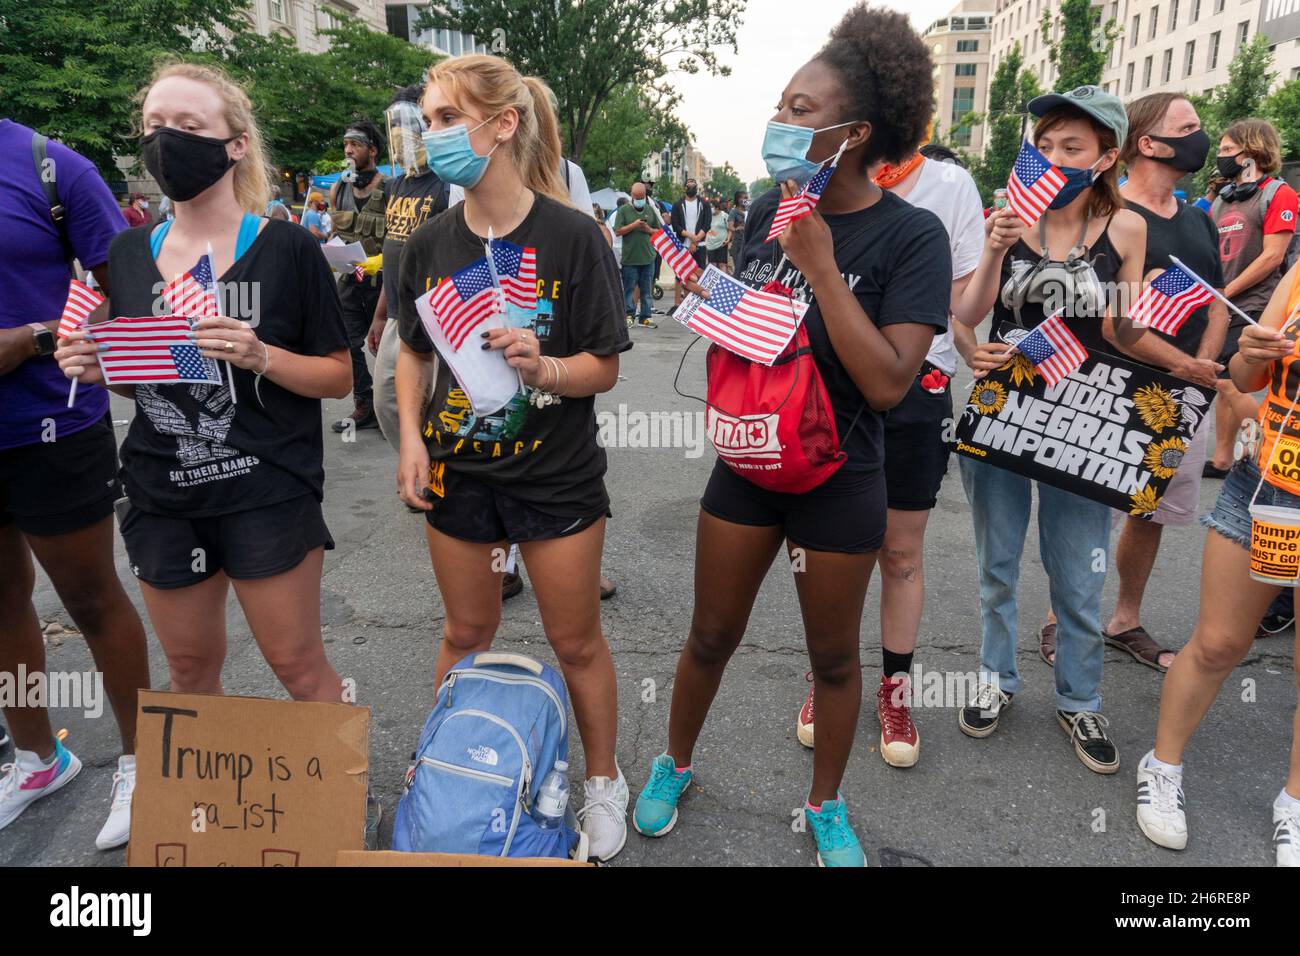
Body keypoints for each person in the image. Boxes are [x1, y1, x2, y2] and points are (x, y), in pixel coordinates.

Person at [633, 4, 951, 866]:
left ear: (855, 131)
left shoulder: (911, 234)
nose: (781, 122)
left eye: (802, 110)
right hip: (748, 461)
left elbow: (890, 381)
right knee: (709, 634)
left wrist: (820, 264)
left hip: (842, 476)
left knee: (832, 660)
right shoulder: (768, 208)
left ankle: (826, 806)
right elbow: (755, 328)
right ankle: (675, 762)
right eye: (780, 105)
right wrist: (710, 295)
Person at [55, 62, 356, 815]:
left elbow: (337, 377)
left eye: (188, 127)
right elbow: (144, 382)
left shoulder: (285, 249)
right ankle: (213, 825)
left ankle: (337, 819)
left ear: (234, 145)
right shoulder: (128, 256)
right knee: (189, 669)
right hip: (160, 493)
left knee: (296, 663)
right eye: (156, 126)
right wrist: (95, 365)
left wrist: (260, 355)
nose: (167, 141)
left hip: (267, 490)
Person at [393, 54, 632, 860]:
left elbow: (604, 362)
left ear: (503, 125)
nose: (434, 137)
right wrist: (411, 441)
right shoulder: (425, 243)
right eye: (427, 121)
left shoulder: (573, 236)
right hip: (460, 478)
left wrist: (545, 367)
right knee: (465, 632)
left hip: (554, 476)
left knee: (575, 644)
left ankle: (602, 780)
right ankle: (449, 775)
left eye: (448, 119)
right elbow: (411, 355)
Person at [953, 86, 1147, 774]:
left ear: (1105, 158)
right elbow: (967, 311)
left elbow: (1125, 332)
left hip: (1086, 425)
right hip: (1003, 412)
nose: (1055, 156)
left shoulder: (1124, 231)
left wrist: (1177, 355)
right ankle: (995, 678)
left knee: (1079, 572)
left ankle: (1079, 697)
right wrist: (993, 261)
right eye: (1044, 144)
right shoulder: (1003, 218)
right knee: (996, 563)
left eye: (1073, 146)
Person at [793, 132, 986, 769]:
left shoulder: (950, 188)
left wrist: (997, 256)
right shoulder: (813, 185)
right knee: (827, 555)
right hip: (823, 395)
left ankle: (894, 691)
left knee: (900, 552)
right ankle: (829, 679)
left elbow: (962, 304)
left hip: (913, 390)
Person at [0, 118, 151, 849]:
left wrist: (35, 338)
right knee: (0, 605)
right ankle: (36, 757)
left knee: (91, 598)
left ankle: (141, 760)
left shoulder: (50, 166)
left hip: (48, 426)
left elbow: (126, 293)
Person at [1039, 93, 1227, 673]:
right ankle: (1060, 618)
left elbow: (1216, 302)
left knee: (1152, 512)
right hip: (1112, 388)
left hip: (1186, 392)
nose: (1200, 136)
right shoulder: (1111, 216)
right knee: (1091, 512)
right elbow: (1113, 322)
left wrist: (1202, 373)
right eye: (1187, 127)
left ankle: (1124, 619)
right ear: (1148, 143)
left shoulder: (1198, 216)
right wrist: (1183, 366)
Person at [1134, 260, 1300, 866]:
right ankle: (1163, 767)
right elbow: (1245, 373)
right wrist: (1252, 351)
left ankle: (1294, 804)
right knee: (1219, 644)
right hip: (1269, 487)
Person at [1206, 119, 1299, 477]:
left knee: (1227, 382)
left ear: (1252, 152)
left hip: (1255, 301)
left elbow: (1273, 256)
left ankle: (1264, 449)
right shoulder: (1224, 199)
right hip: (1222, 301)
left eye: (1229, 150)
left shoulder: (1278, 194)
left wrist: (1226, 291)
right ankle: (1222, 458)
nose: (1222, 157)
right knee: (1223, 380)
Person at [368, 83, 450, 449]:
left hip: (436, 315)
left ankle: (433, 472)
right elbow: (394, 253)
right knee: (387, 400)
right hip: (398, 314)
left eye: (411, 130)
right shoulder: (397, 185)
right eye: (396, 132)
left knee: (430, 399)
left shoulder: (448, 185)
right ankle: (419, 461)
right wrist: (380, 313)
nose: (403, 140)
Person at [329, 118, 388, 434]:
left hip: (383, 284)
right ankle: (364, 405)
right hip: (351, 281)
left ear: (373, 150)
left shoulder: (390, 188)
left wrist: (380, 263)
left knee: (386, 347)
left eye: (356, 145)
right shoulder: (338, 188)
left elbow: (399, 237)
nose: (349, 150)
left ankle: (388, 406)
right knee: (349, 344)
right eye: (346, 145)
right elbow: (336, 231)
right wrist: (333, 251)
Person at [613, 181, 663, 329]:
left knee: (646, 290)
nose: (639, 199)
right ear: (632, 195)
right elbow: (618, 231)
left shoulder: (650, 209)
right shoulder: (623, 211)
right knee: (629, 289)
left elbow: (659, 231)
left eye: (642, 196)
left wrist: (648, 229)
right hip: (630, 258)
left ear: (645, 195)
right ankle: (629, 315)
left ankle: (645, 317)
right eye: (636, 196)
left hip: (648, 258)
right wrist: (634, 225)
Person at [669, 178, 710, 312]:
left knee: (699, 274)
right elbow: (676, 225)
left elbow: (707, 224)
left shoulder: (704, 203)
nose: (691, 187)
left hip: (700, 244)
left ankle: (695, 304)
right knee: (680, 275)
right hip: (682, 245)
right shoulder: (677, 204)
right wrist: (691, 237)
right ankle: (677, 305)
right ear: (684, 188)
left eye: (694, 185)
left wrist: (696, 241)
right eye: (689, 185)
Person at [704, 199, 730, 272]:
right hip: (710, 244)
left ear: (717, 207)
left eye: (711, 207)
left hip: (722, 243)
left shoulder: (724, 215)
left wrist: (728, 239)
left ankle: (722, 280)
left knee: (722, 264)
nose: (710, 209)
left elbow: (729, 229)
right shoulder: (708, 216)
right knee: (712, 265)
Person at [728, 189, 747, 272]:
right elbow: (730, 226)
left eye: (747, 198)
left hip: (748, 241)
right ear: (738, 200)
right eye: (745, 198)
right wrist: (737, 229)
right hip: (738, 243)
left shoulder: (749, 210)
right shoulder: (733, 212)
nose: (746, 200)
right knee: (738, 267)